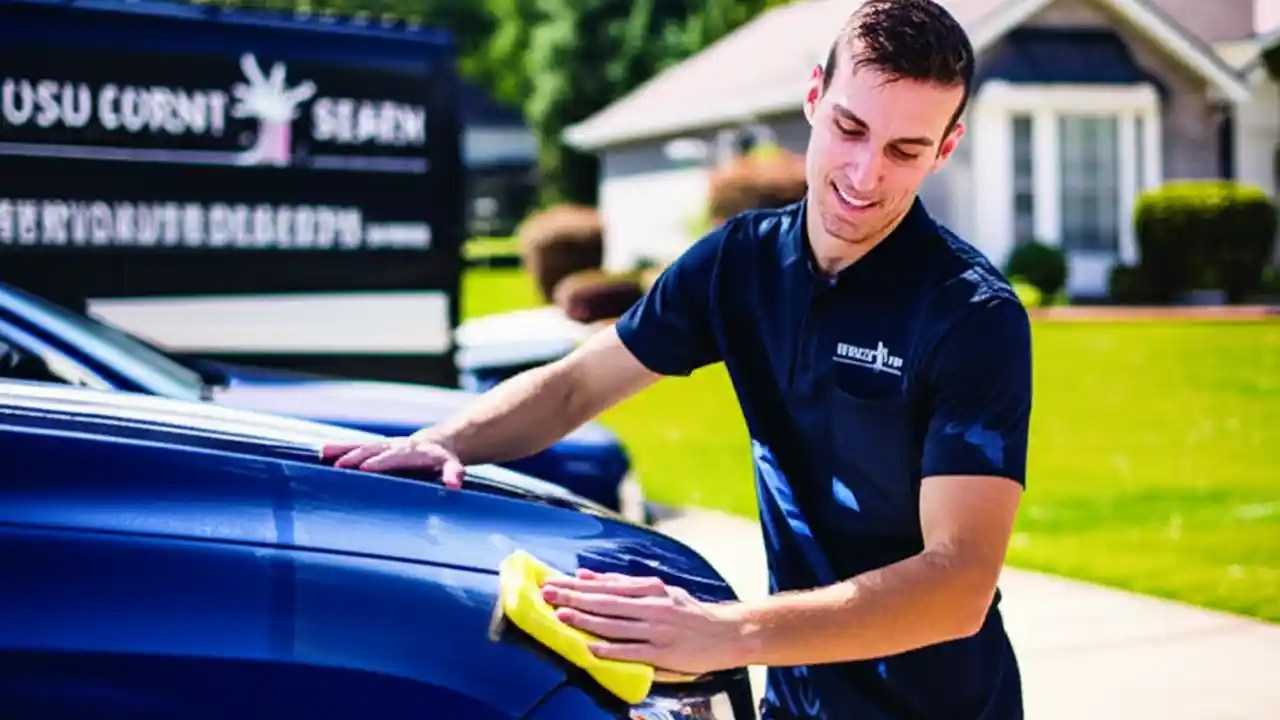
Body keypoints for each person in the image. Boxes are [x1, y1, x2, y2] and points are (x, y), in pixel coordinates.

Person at [322, 1, 1032, 717]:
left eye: (904, 150)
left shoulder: (972, 317)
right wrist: (442, 443)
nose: (864, 172)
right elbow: (577, 386)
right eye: (851, 128)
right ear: (815, 98)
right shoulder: (741, 264)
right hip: (794, 700)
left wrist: (727, 632)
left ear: (946, 148)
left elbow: (957, 585)